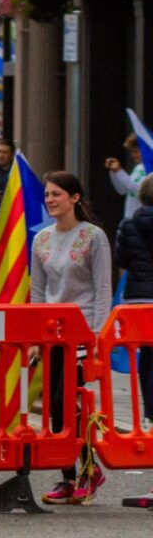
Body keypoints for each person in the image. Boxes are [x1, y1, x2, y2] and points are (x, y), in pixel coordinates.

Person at [30, 171, 112, 505]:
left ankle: (89, 470)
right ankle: (67, 476)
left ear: (75, 198)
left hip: (82, 332)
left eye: (57, 195)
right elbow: (37, 291)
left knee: (70, 404)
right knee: (52, 408)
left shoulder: (94, 237)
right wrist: (35, 335)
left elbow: (103, 288)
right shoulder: (41, 239)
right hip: (51, 333)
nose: (50, 200)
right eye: (48, 194)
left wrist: (98, 337)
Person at [114, 176, 153, 428]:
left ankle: (149, 414)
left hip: (138, 298)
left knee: (147, 357)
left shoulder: (128, 225)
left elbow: (122, 259)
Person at [108, 136, 149, 221]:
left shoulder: (150, 169)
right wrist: (114, 172)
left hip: (144, 221)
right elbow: (123, 190)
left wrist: (119, 171)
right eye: (132, 152)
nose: (133, 155)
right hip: (130, 218)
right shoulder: (138, 168)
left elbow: (141, 191)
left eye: (136, 152)